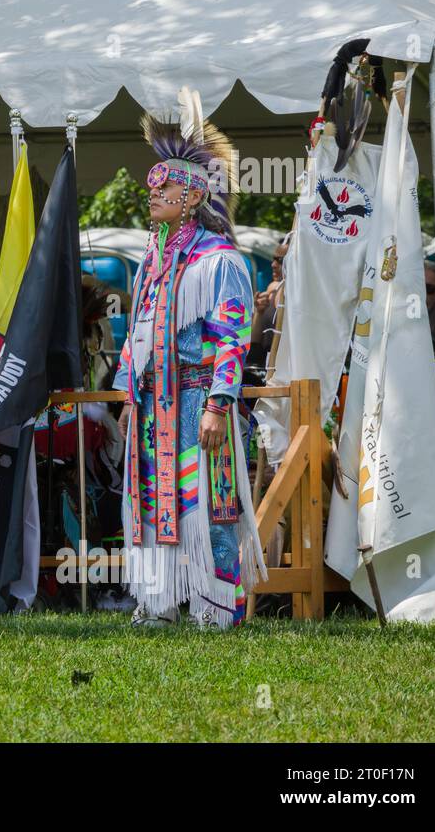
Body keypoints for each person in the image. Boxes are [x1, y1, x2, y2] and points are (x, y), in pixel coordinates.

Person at [113, 99, 267, 629]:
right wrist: (129, 397)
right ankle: (159, 602)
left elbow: (232, 338)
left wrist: (220, 405)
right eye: (151, 185)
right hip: (155, 404)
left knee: (206, 504)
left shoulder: (218, 259)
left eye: (165, 187)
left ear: (194, 195)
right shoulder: (151, 266)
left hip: (200, 400)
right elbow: (136, 335)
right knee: (156, 502)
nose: (152, 193)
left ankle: (215, 606)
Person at [248, 236, 288, 368]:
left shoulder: (303, 300)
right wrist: (259, 312)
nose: (273, 265)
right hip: (263, 369)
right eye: (273, 259)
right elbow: (254, 345)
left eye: (280, 260)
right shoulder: (272, 289)